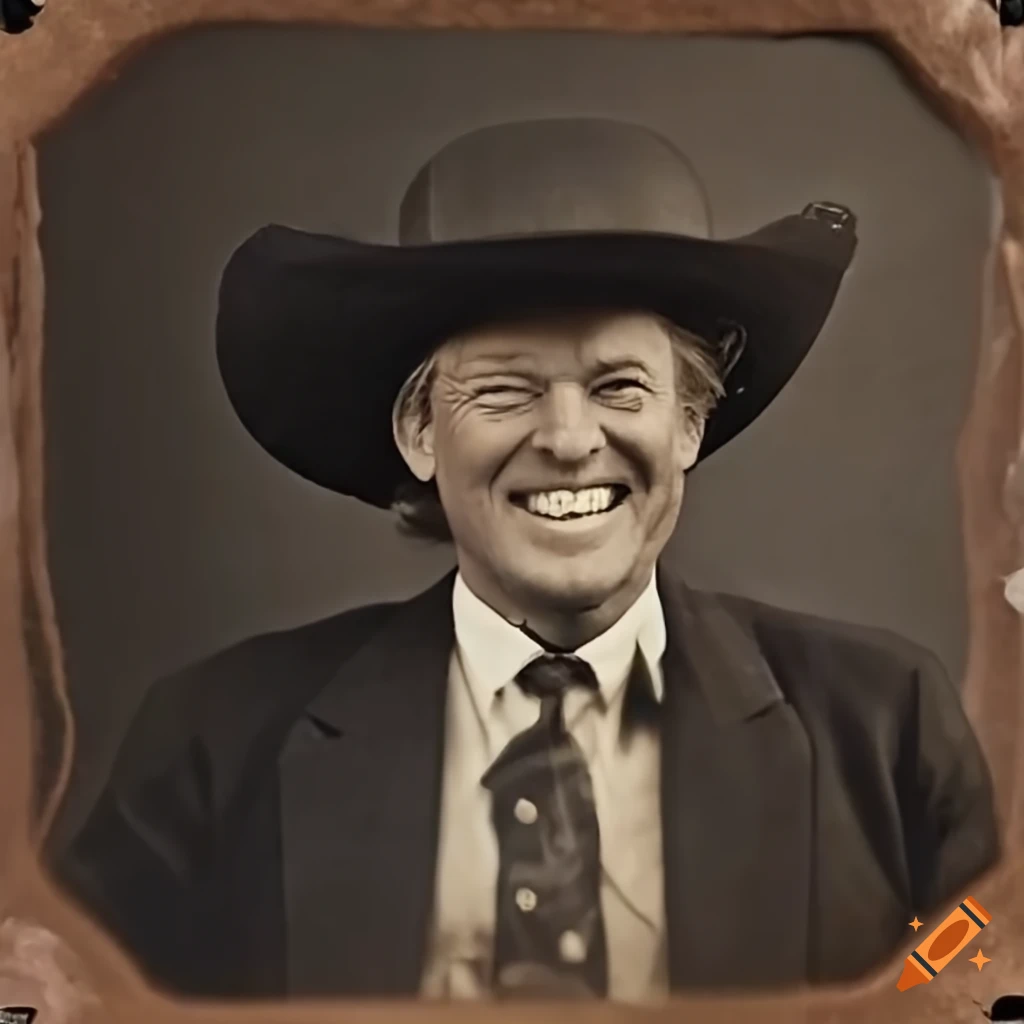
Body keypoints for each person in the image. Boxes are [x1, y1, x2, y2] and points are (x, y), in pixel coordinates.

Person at [51, 118, 999, 1004]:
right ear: (421, 433)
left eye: (620, 385)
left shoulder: (887, 732)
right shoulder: (211, 747)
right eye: (505, 390)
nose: (571, 439)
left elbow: (970, 971)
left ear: (689, 424)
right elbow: (70, 995)